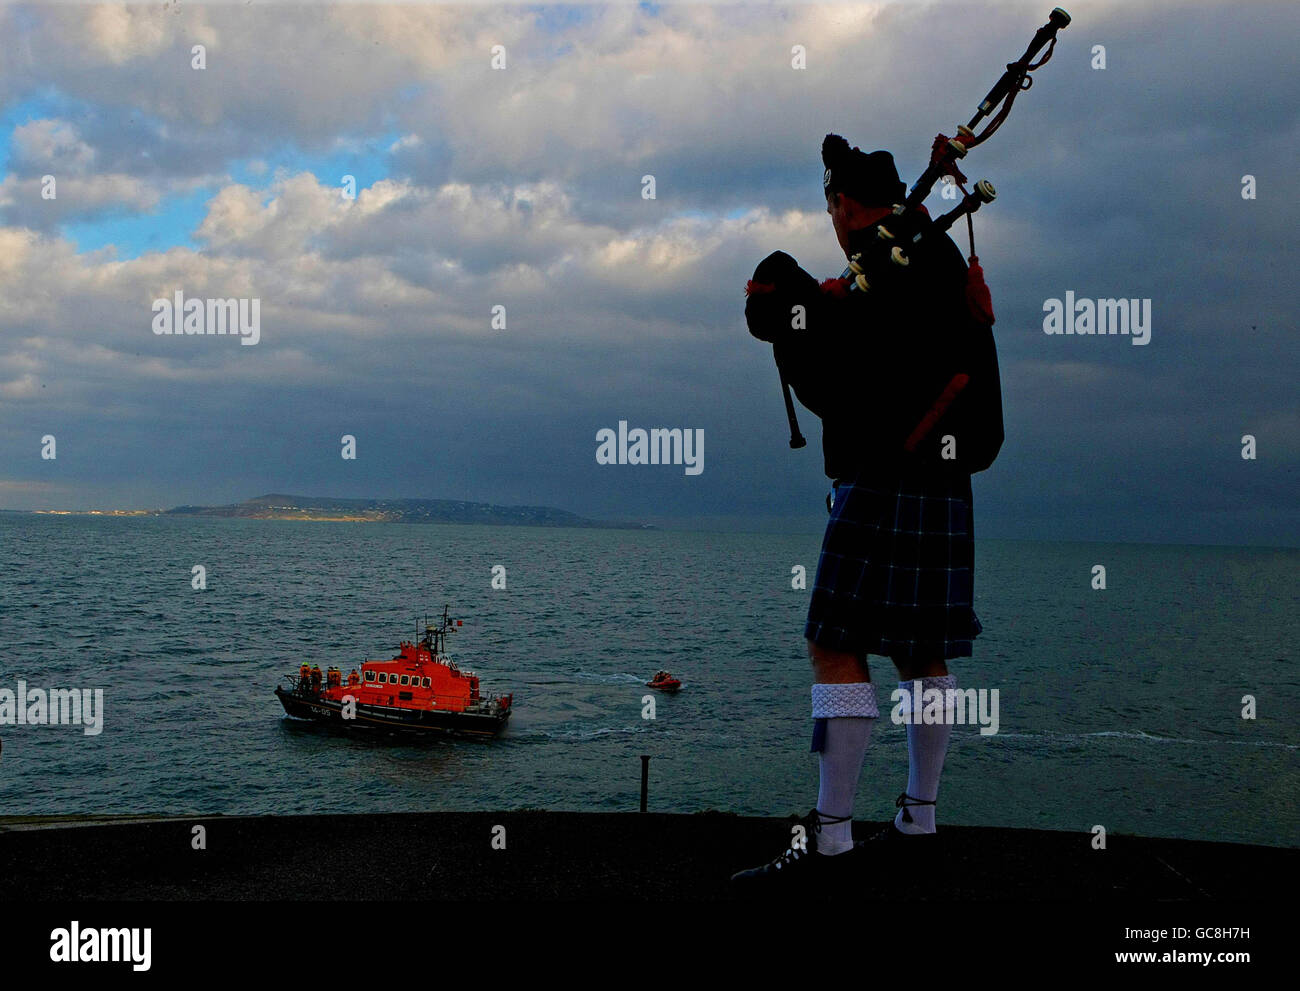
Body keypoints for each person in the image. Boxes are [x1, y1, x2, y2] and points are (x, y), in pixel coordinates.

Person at [732, 133, 1001, 888]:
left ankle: (830, 839)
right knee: (922, 652)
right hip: (945, 480)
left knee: (834, 642)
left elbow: (837, 385)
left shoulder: (882, 264)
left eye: (831, 207)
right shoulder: (929, 258)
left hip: (882, 473)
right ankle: (920, 818)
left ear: (843, 204)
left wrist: (805, 311)